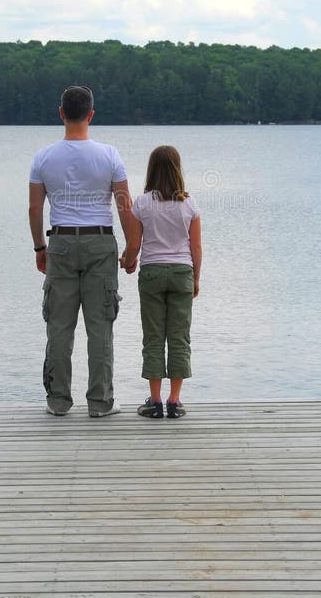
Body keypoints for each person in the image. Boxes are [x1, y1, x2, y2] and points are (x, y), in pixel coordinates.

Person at [29, 86, 132, 417]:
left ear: (61, 113)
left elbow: (34, 209)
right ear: (90, 115)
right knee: (100, 327)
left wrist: (39, 247)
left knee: (59, 326)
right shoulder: (110, 155)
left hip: (59, 241)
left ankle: (58, 401)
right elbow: (124, 205)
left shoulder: (43, 157)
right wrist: (133, 248)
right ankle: (100, 403)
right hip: (100, 242)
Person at [122, 145, 201, 419]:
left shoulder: (142, 203)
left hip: (153, 272)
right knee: (179, 336)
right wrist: (197, 279)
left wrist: (128, 262)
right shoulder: (189, 204)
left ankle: (154, 401)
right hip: (182, 272)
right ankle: (175, 401)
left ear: (151, 170)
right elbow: (196, 248)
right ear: (178, 169)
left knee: (153, 336)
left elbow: (134, 244)